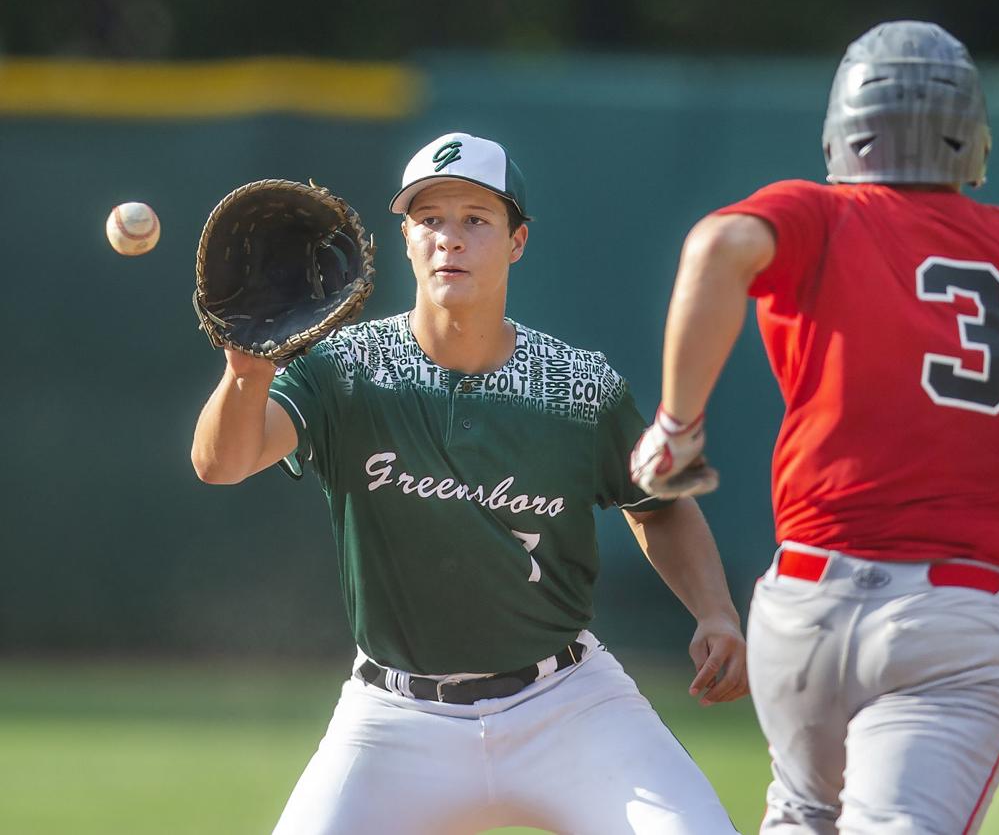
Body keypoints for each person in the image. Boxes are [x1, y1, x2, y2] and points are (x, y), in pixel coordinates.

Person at [631, 21, 999, 834]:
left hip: (803, 604)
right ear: (971, 137)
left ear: (843, 129)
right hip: (956, 621)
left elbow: (719, 245)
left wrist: (678, 423)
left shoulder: (817, 213)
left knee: (801, 814)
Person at [192, 131, 748, 834]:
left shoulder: (578, 387)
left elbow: (658, 507)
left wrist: (716, 610)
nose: (448, 238)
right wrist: (245, 372)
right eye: (428, 220)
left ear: (517, 240)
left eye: (474, 219)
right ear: (404, 240)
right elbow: (222, 462)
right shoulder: (344, 370)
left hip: (567, 703)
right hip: (395, 719)